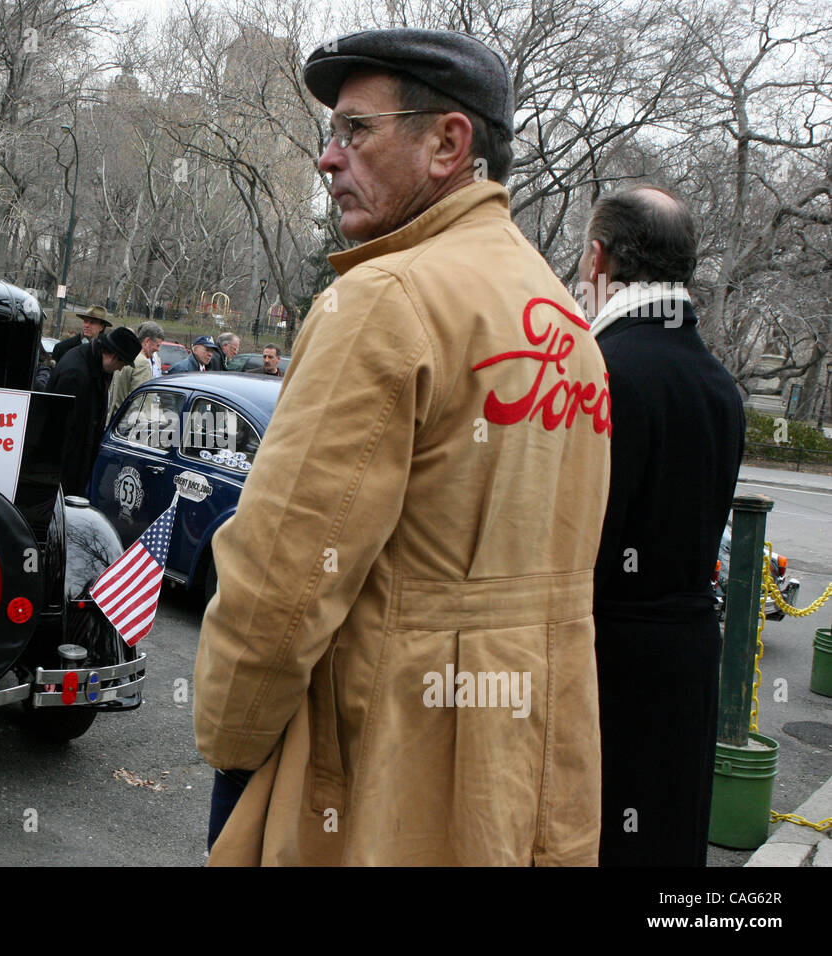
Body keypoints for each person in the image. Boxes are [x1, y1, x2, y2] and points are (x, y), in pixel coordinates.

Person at [193, 28, 612, 866]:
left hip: (371, 777)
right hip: (519, 778)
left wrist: (231, 738)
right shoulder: (567, 321)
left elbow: (282, 577)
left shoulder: (385, 298)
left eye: (355, 131)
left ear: (448, 143)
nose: (327, 158)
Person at [577, 186, 745, 867]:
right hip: (690, 657)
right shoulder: (719, 384)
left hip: (606, 664)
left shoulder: (602, 370)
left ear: (598, 260)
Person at [48, 327, 141, 495]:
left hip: (78, 461)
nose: (120, 369)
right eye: (122, 364)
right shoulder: (76, 374)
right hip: (65, 470)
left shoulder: (96, 365)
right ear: (113, 356)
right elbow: (61, 431)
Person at [108, 321, 164, 420]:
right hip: (128, 424)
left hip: (115, 419)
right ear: (147, 341)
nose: (158, 349)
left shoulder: (125, 357)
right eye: (157, 345)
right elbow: (140, 403)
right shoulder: (143, 363)